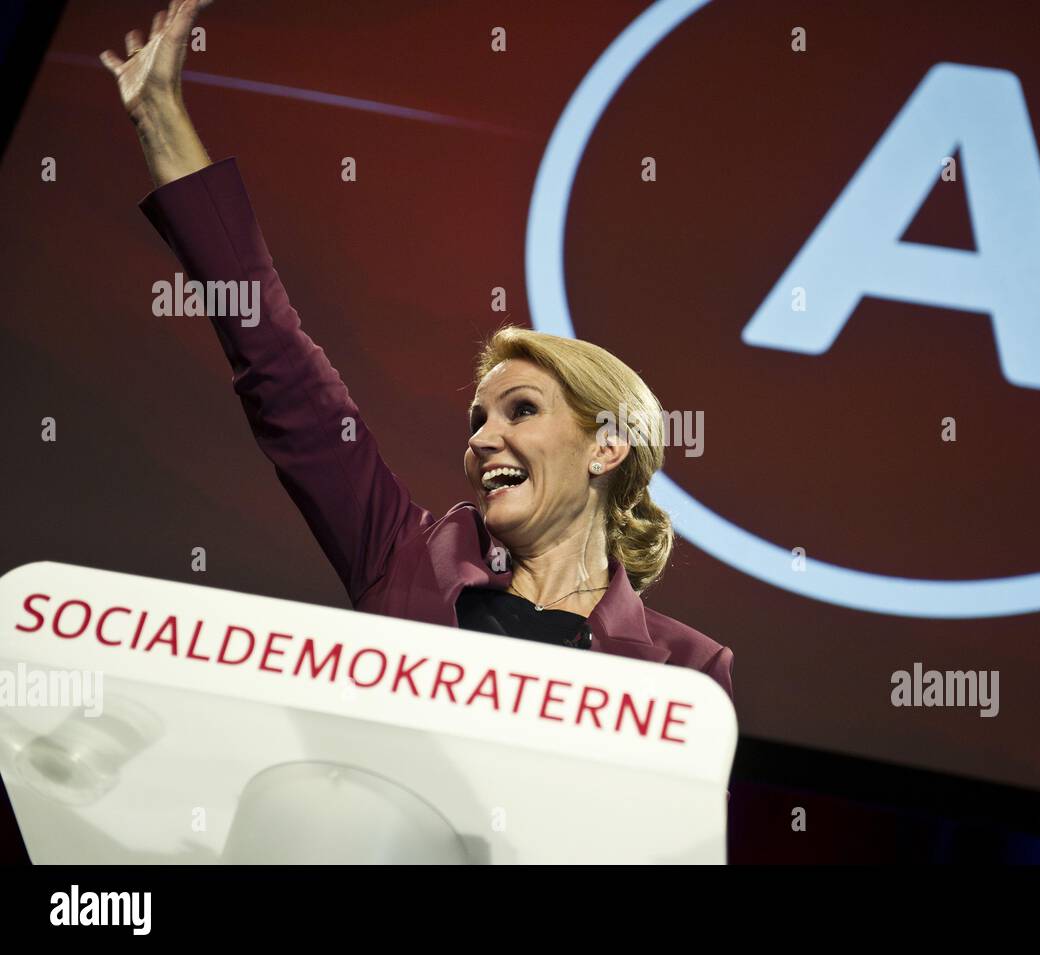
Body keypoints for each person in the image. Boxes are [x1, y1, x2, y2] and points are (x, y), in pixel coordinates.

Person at [100, 0, 735, 701]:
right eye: (476, 421)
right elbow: (280, 367)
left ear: (607, 445)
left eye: (520, 409)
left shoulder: (690, 672)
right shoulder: (403, 559)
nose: (483, 440)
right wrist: (158, 114)